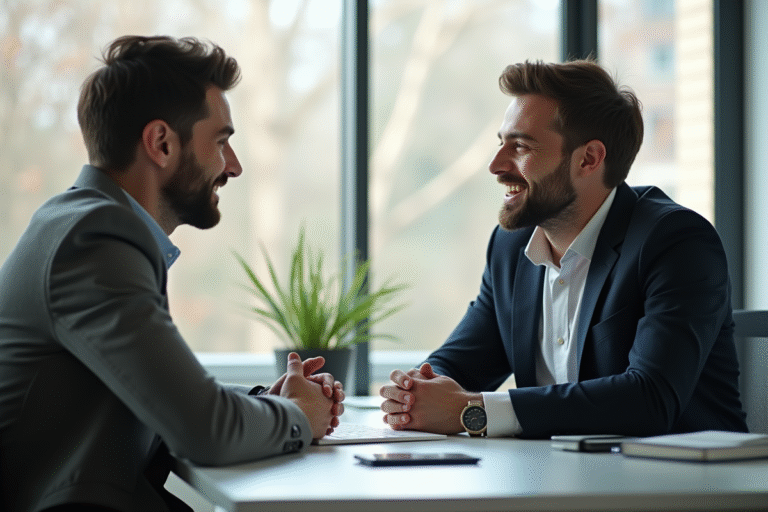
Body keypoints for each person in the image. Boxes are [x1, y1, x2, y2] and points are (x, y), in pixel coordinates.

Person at [0, 35, 344, 512]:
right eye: (221, 142)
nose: (233, 167)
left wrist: (266, 400)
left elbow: (158, 395)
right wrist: (297, 415)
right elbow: (205, 430)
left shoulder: (81, 223)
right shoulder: (95, 240)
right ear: (161, 143)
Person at [380, 59, 747, 439]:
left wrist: (473, 411)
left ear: (588, 159)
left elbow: (650, 399)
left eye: (520, 146)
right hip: (556, 470)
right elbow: (464, 361)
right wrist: (413, 392)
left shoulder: (676, 241)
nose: (495, 165)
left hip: (684, 473)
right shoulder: (511, 247)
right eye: (501, 143)